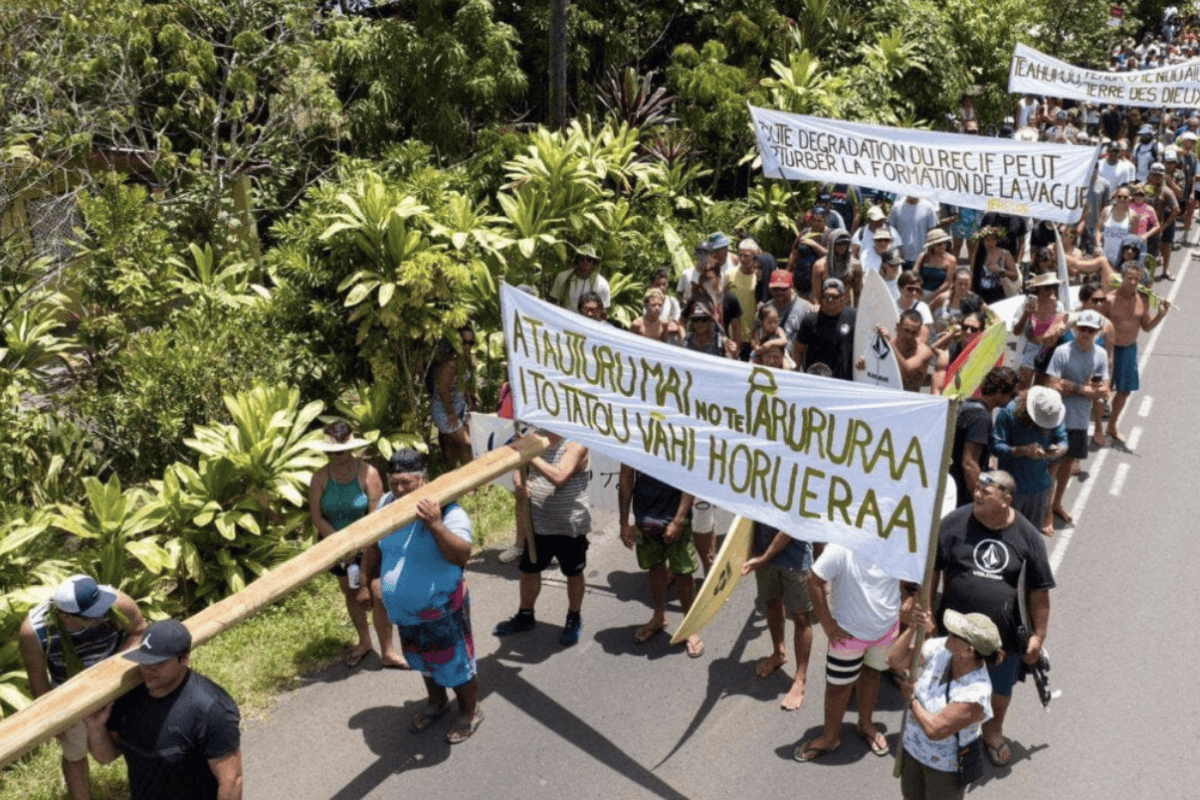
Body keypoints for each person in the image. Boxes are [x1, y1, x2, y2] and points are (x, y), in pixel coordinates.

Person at [359, 449, 483, 744]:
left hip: (441, 609)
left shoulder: (448, 510)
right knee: (423, 661)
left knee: (455, 665)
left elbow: (461, 555)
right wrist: (366, 583)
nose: (399, 490)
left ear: (424, 480)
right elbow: (374, 546)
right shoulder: (387, 505)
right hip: (406, 613)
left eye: (407, 483)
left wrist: (435, 525)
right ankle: (436, 703)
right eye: (394, 483)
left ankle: (469, 711)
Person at [935, 470, 1055, 769]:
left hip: (1004, 638)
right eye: (976, 489)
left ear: (1006, 500)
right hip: (955, 633)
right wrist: (924, 615)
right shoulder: (953, 523)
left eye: (984, 492)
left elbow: (1039, 593)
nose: (976, 494)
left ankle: (992, 732)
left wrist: (1038, 637)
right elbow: (932, 570)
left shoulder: (1028, 537)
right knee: (952, 685)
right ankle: (947, 731)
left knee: (1000, 691)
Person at [84, 620, 243, 800]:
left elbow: (232, 780)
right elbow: (107, 757)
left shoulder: (211, 709)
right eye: (143, 661)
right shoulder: (126, 697)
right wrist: (95, 728)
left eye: (158, 664)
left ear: (184, 659)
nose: (147, 670)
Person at [19, 576, 145, 800]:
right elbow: (37, 679)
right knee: (74, 751)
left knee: (140, 737)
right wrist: (53, 716)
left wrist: (111, 672)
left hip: (119, 677)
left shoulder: (114, 601)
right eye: (93, 614)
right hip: (71, 691)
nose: (103, 613)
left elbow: (139, 630)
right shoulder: (34, 631)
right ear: (64, 615)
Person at [793, 544, 904, 762]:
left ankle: (866, 724)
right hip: (847, 636)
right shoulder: (841, 546)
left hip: (886, 630)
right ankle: (830, 737)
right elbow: (813, 580)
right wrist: (827, 624)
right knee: (838, 688)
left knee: (872, 675)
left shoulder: (897, 544)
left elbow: (910, 579)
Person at [888, 608, 1004, 800]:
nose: (948, 634)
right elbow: (895, 660)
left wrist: (912, 700)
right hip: (912, 750)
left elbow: (935, 730)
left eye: (955, 634)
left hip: (943, 767)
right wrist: (912, 629)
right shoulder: (943, 647)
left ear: (969, 650)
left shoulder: (976, 693)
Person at [308, 421, 399, 668]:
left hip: (369, 543)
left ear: (351, 448)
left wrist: (359, 549)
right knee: (350, 592)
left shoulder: (368, 473)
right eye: (334, 449)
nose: (339, 454)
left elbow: (376, 517)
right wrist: (342, 547)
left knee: (375, 591)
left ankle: (388, 649)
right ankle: (364, 640)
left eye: (343, 448)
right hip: (336, 545)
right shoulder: (319, 478)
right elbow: (317, 517)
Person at [494, 431, 590, 647]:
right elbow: (520, 471)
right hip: (537, 522)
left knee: (573, 572)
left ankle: (573, 617)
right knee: (529, 569)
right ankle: (525, 615)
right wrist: (520, 484)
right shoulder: (532, 438)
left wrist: (528, 454)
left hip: (569, 524)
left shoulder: (576, 443)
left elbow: (559, 477)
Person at [618, 464, 703, 658]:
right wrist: (624, 523)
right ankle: (658, 617)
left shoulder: (681, 434)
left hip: (675, 519)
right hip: (646, 521)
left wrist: (679, 520)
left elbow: (692, 476)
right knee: (655, 568)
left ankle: (689, 628)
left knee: (683, 573)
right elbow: (625, 478)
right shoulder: (633, 436)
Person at [1045, 309, 1111, 522]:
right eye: (1082, 328)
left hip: (1080, 420)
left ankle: (1056, 504)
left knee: (1067, 466)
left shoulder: (1100, 355)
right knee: (1052, 466)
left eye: (1091, 330)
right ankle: (1045, 511)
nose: (1086, 333)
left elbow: (1104, 390)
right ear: (1075, 329)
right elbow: (1052, 385)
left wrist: (1074, 388)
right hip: (1058, 419)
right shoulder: (1062, 352)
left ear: (1097, 333)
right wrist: (1084, 389)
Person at [740, 523, 814, 711]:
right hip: (764, 556)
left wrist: (763, 558)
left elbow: (790, 526)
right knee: (772, 603)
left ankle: (800, 678)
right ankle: (778, 653)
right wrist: (748, 549)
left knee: (801, 617)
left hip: (794, 559)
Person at [1100, 263, 1171, 442]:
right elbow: (1098, 326)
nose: (1132, 282)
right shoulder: (1109, 299)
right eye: (1129, 277)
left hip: (1129, 348)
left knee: (1124, 392)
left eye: (1137, 279)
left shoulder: (1143, 300)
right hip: (1109, 348)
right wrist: (1105, 354)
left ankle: (1112, 426)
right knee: (1101, 391)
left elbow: (1146, 327)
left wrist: (1160, 315)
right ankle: (1097, 430)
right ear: (1122, 277)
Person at [991, 387, 1069, 537]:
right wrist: (1021, 451)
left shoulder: (1053, 413)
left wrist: (1059, 450)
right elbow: (996, 446)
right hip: (1011, 489)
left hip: (1038, 490)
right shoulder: (1008, 413)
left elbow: (1062, 439)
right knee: (1005, 535)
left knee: (1029, 536)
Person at [948, 367, 1020, 507]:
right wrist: (980, 498)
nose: (1012, 399)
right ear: (999, 393)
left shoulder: (968, 403)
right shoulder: (981, 418)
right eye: (1012, 394)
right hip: (962, 489)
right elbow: (969, 463)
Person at [425, 329, 477, 469]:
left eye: (470, 343)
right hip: (445, 409)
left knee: (452, 445)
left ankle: (451, 476)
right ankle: (471, 482)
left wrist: (469, 400)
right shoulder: (451, 363)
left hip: (459, 406)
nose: (467, 346)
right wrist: (451, 413)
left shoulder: (464, 360)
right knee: (467, 443)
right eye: (464, 342)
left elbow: (463, 383)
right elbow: (443, 390)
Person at [793, 278, 856, 379]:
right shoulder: (810, 318)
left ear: (842, 298)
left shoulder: (853, 316)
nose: (830, 300)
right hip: (815, 378)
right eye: (827, 296)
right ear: (822, 298)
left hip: (844, 381)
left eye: (834, 297)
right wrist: (794, 373)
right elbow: (798, 350)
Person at [811, 228, 863, 307]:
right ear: (832, 244)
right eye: (839, 243)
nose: (842, 246)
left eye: (845, 243)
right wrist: (816, 307)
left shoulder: (855, 265)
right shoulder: (820, 266)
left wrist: (857, 312)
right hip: (826, 308)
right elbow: (816, 294)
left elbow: (858, 293)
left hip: (845, 307)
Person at [551, 243, 611, 311]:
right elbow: (553, 300)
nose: (584, 262)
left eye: (589, 260)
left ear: (594, 263)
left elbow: (604, 309)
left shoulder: (602, 284)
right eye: (581, 259)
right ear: (577, 261)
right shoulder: (563, 277)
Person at [888, 196, 940, 268]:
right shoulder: (896, 207)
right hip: (900, 257)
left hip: (921, 258)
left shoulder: (929, 207)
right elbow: (890, 230)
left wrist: (931, 253)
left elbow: (933, 233)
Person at [971, 226, 1019, 305]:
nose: (991, 242)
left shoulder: (1005, 254)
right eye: (987, 240)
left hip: (999, 293)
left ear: (997, 240)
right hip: (981, 294)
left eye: (993, 239)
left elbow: (1015, 276)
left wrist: (1001, 270)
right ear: (982, 241)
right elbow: (974, 276)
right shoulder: (977, 255)